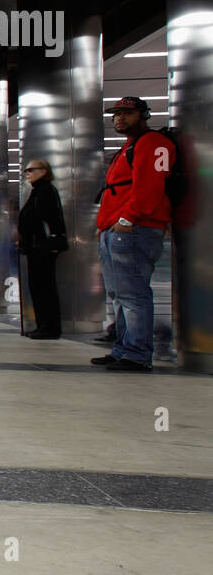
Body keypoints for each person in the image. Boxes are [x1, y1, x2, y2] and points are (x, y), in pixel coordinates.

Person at [91, 96, 175, 372]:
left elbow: (150, 186)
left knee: (133, 294)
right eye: (116, 114)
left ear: (144, 114)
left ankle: (138, 353)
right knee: (119, 293)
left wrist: (127, 219)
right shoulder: (129, 146)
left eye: (127, 113)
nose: (119, 118)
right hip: (115, 229)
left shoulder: (152, 143)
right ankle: (123, 348)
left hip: (134, 229)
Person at [16, 158, 68, 339]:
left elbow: (50, 219)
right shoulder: (37, 190)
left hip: (43, 247)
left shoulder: (45, 190)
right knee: (38, 287)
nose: (27, 173)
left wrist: (52, 242)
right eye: (26, 171)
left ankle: (49, 327)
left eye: (31, 170)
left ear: (44, 171)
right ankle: (43, 324)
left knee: (44, 287)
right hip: (35, 246)